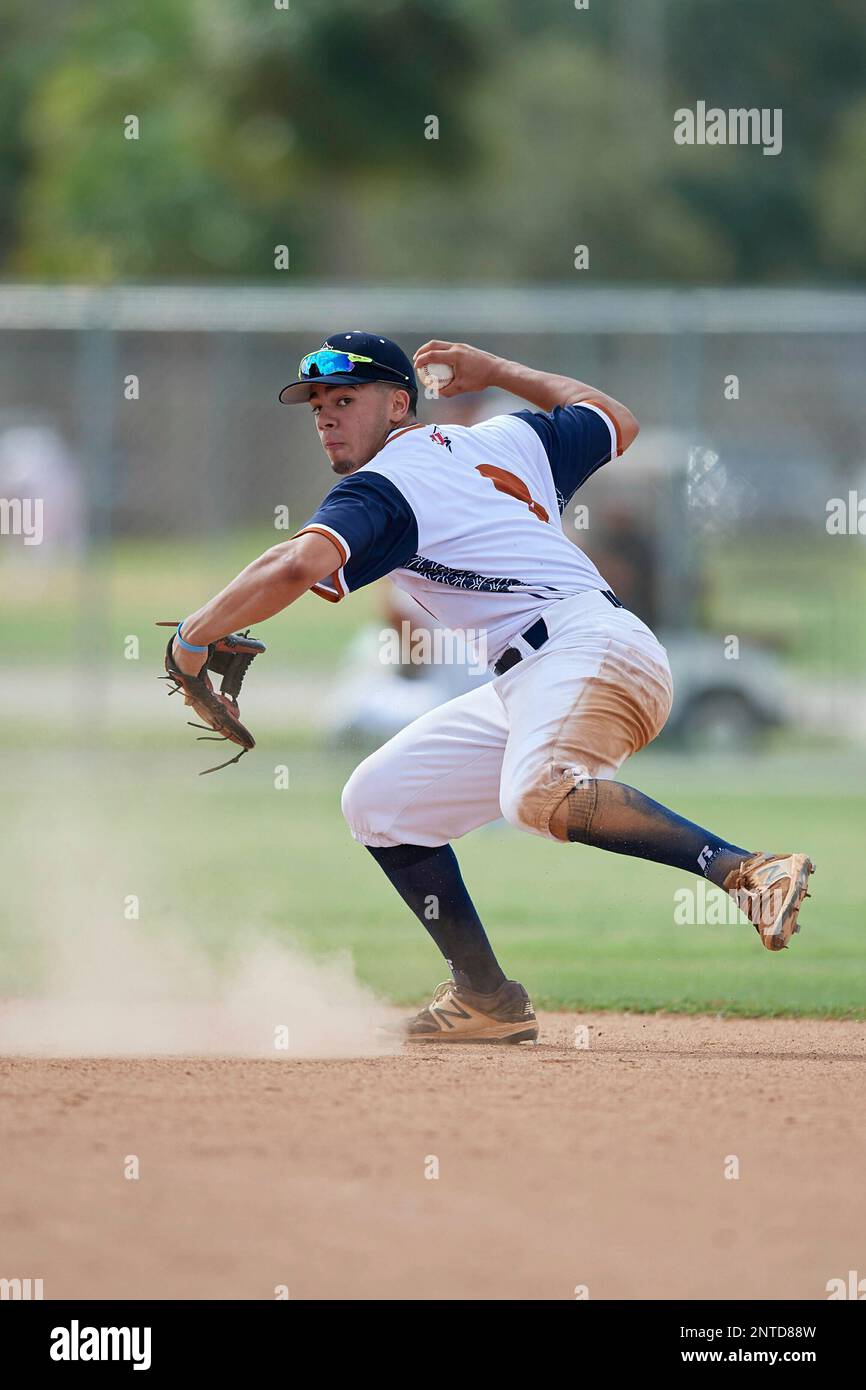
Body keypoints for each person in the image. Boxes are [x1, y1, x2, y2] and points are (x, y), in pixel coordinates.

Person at [170, 331, 814, 1044]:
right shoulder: (503, 440)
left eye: (345, 400)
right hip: (542, 671)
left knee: (536, 794)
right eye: (317, 404)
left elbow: (296, 565)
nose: (325, 416)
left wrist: (191, 638)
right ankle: (486, 997)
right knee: (380, 802)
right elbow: (614, 419)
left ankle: (747, 872)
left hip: (585, 649)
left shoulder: (383, 487)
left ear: (397, 403)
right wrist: (497, 370)